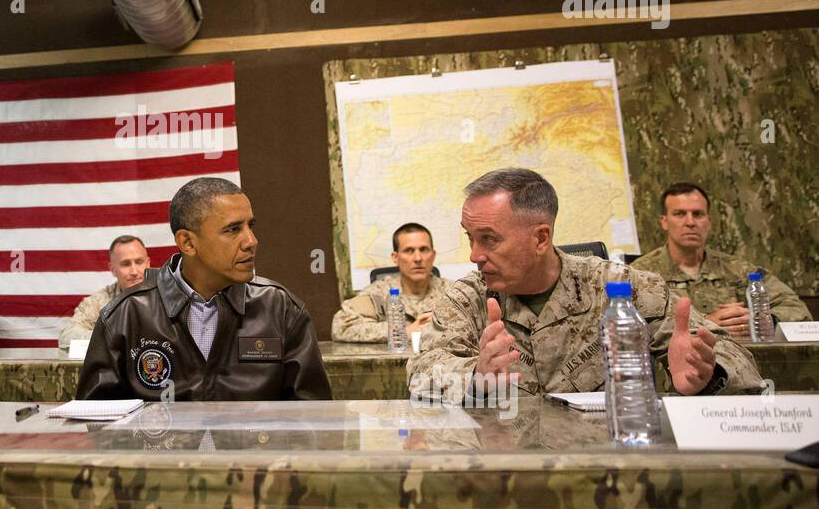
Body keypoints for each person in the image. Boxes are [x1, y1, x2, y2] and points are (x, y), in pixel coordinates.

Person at [407, 169, 761, 402]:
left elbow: (740, 362)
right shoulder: (469, 298)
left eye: (489, 239)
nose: (474, 255)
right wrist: (476, 375)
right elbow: (419, 376)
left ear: (540, 238)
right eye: (470, 238)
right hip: (506, 469)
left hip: (610, 466)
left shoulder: (619, 288)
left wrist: (709, 375)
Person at [77, 177, 331, 401]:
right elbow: (97, 423)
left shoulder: (281, 309)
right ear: (188, 242)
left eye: (250, 226)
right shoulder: (125, 315)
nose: (251, 241)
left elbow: (312, 417)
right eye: (233, 229)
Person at [630, 182, 809, 337]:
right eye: (679, 214)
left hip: (740, 362)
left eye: (698, 214)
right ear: (664, 221)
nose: (690, 222)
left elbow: (798, 310)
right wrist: (704, 324)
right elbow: (629, 328)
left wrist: (763, 320)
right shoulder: (640, 274)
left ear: (709, 221)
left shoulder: (738, 270)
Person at [332, 222, 451, 342]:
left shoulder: (452, 292)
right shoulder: (379, 292)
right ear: (395, 257)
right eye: (409, 251)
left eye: (424, 250)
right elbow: (341, 327)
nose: (418, 258)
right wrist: (402, 332)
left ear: (433, 255)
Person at [58, 235, 151, 350]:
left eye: (139, 262)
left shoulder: (166, 295)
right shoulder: (99, 302)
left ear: (148, 263)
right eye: (126, 264)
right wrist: (112, 338)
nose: (134, 271)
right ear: (113, 269)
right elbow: (66, 336)